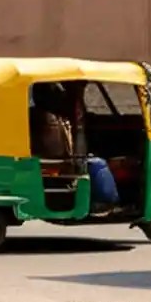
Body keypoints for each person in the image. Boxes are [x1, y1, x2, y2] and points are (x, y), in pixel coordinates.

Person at [31, 82, 118, 215]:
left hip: (51, 161)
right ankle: (105, 203)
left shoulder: (38, 114)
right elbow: (57, 150)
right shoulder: (49, 119)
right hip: (56, 164)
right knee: (98, 164)